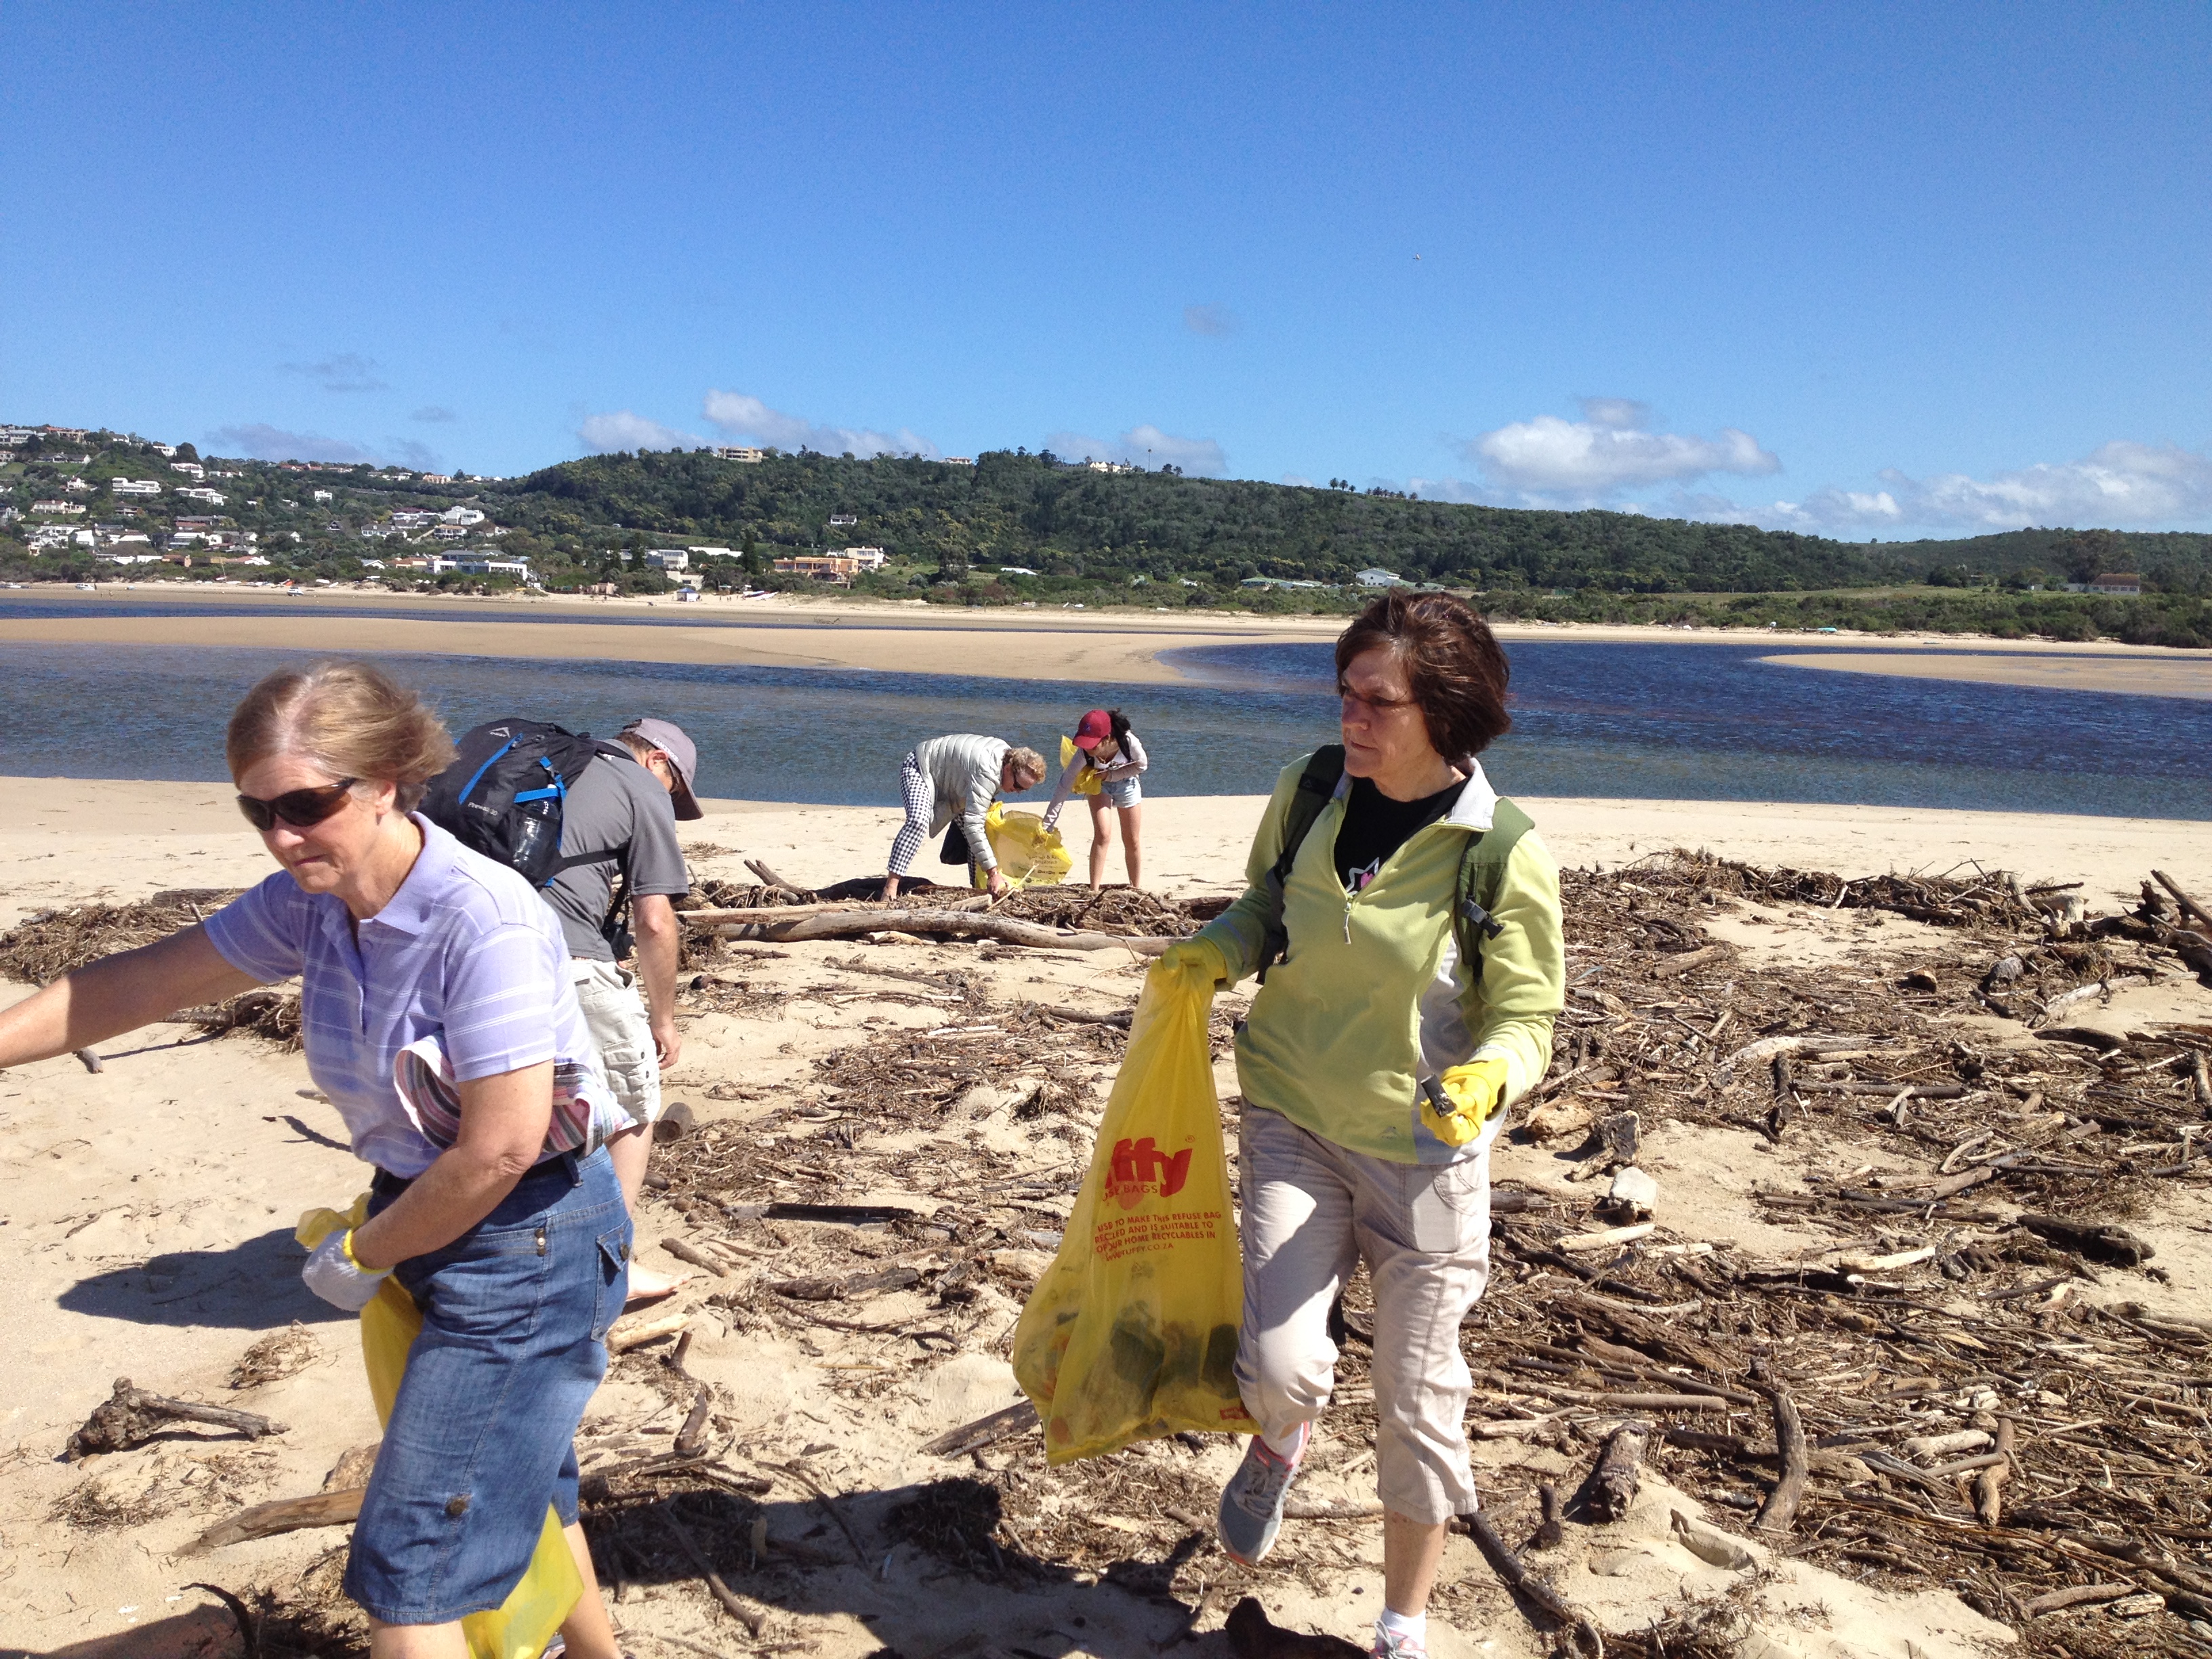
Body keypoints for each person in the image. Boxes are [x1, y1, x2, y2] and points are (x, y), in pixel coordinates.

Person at [0, 661, 630, 1658]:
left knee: (410, 1563)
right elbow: (139, 985)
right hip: (434, 1217)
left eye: (305, 804)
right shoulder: (313, 902)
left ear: (388, 779)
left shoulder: (487, 919)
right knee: (528, 1486)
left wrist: (368, 1253)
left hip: (529, 1242)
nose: (282, 835)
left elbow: (504, 1145)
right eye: (258, 810)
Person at [1159, 593, 1564, 1659]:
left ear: (1446, 710)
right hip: (1295, 1114)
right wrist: (1215, 952)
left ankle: (1401, 1627)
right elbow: (1265, 912)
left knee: (1418, 1401)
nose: (1353, 717)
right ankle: (1280, 1444)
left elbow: (1530, 1016)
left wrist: (1488, 1080)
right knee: (1285, 1370)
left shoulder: (1500, 853)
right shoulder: (1309, 791)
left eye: (1379, 701)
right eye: (1346, 692)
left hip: (1428, 1157)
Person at [541, 715, 701, 1302]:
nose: (671, 802)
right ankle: (612, 1267)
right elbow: (655, 921)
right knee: (632, 1102)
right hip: (565, 959)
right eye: (676, 791)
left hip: (460, 950)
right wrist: (664, 1020)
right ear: (659, 762)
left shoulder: (548, 763)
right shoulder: (637, 786)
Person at [879, 735, 1048, 903]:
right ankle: (890, 888)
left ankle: (980, 892)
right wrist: (993, 873)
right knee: (918, 821)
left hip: (953, 786)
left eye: (1023, 790)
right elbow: (973, 826)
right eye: (1018, 785)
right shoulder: (988, 773)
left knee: (987, 832)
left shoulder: (1004, 759)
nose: (1018, 791)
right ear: (1009, 768)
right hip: (920, 767)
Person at [1041, 708, 1149, 888]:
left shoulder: (1128, 742)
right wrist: (1048, 825)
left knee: (1132, 840)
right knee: (1103, 835)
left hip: (1128, 782)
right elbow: (1064, 785)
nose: (1086, 748)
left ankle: (1135, 889)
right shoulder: (1084, 753)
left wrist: (1112, 776)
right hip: (1099, 785)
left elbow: (1142, 766)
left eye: (1092, 744)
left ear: (1107, 739)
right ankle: (1094, 889)